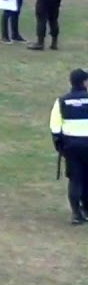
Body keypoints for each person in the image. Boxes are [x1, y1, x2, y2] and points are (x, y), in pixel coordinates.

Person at [49, 67, 88, 225]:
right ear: (84, 82)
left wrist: (60, 146)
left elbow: (55, 127)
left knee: (75, 179)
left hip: (71, 146)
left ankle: (76, 214)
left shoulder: (62, 101)